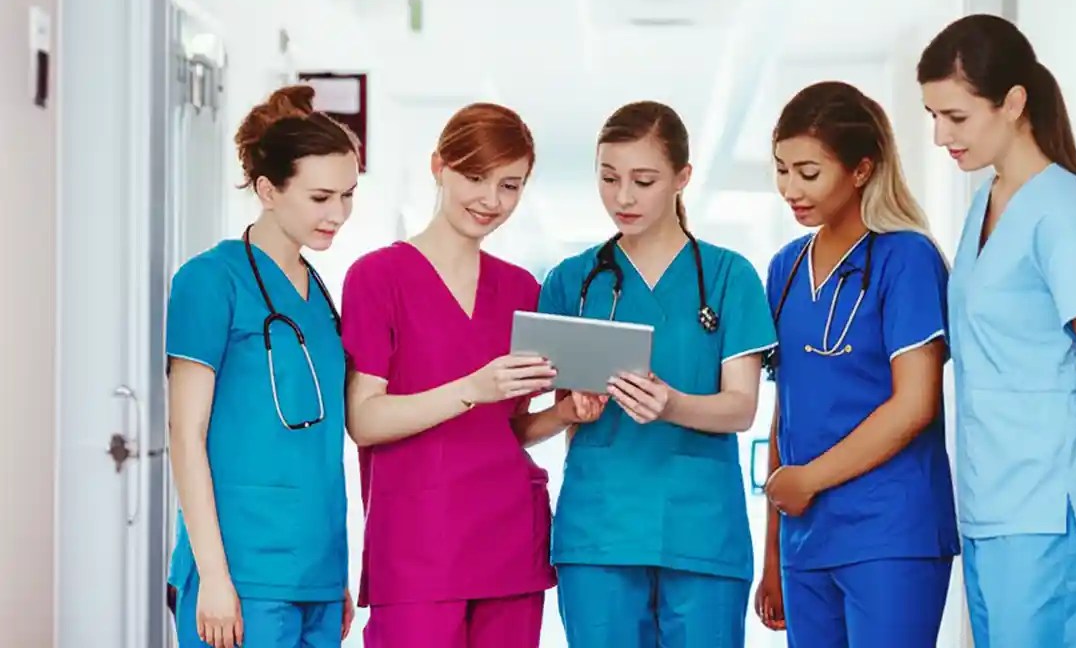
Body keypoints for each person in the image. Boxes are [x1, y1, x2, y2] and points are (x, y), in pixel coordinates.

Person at [916, 13, 1076, 647]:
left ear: (1014, 103)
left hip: (1058, 508)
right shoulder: (985, 204)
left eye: (957, 116)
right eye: (934, 117)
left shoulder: (1066, 213)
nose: (942, 134)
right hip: (992, 506)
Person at [341, 102, 601, 648]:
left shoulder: (521, 291)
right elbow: (364, 420)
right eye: (475, 177)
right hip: (416, 547)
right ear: (438, 167)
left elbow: (506, 430)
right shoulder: (377, 277)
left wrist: (563, 412)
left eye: (510, 185)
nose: (491, 200)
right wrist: (470, 389)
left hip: (507, 544)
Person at [537, 100, 777, 647]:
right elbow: (531, 420)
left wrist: (673, 405)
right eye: (609, 178)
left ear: (681, 178)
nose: (623, 197)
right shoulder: (571, 283)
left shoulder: (727, 276)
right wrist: (568, 410)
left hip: (702, 532)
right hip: (598, 533)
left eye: (643, 180)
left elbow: (741, 408)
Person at [751, 81, 959, 647]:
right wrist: (771, 551)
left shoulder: (907, 258)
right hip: (805, 540)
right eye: (781, 169)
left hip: (890, 531)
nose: (790, 188)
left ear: (861, 169)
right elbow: (785, 411)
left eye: (808, 172)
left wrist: (809, 480)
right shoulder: (785, 269)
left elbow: (915, 404)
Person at [165, 84, 360, 648]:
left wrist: (334, 576)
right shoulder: (210, 280)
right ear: (268, 189)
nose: (338, 214)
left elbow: (320, 440)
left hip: (316, 574)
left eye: (348, 196)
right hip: (242, 573)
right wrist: (216, 579)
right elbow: (185, 434)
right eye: (321, 197)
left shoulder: (320, 294)